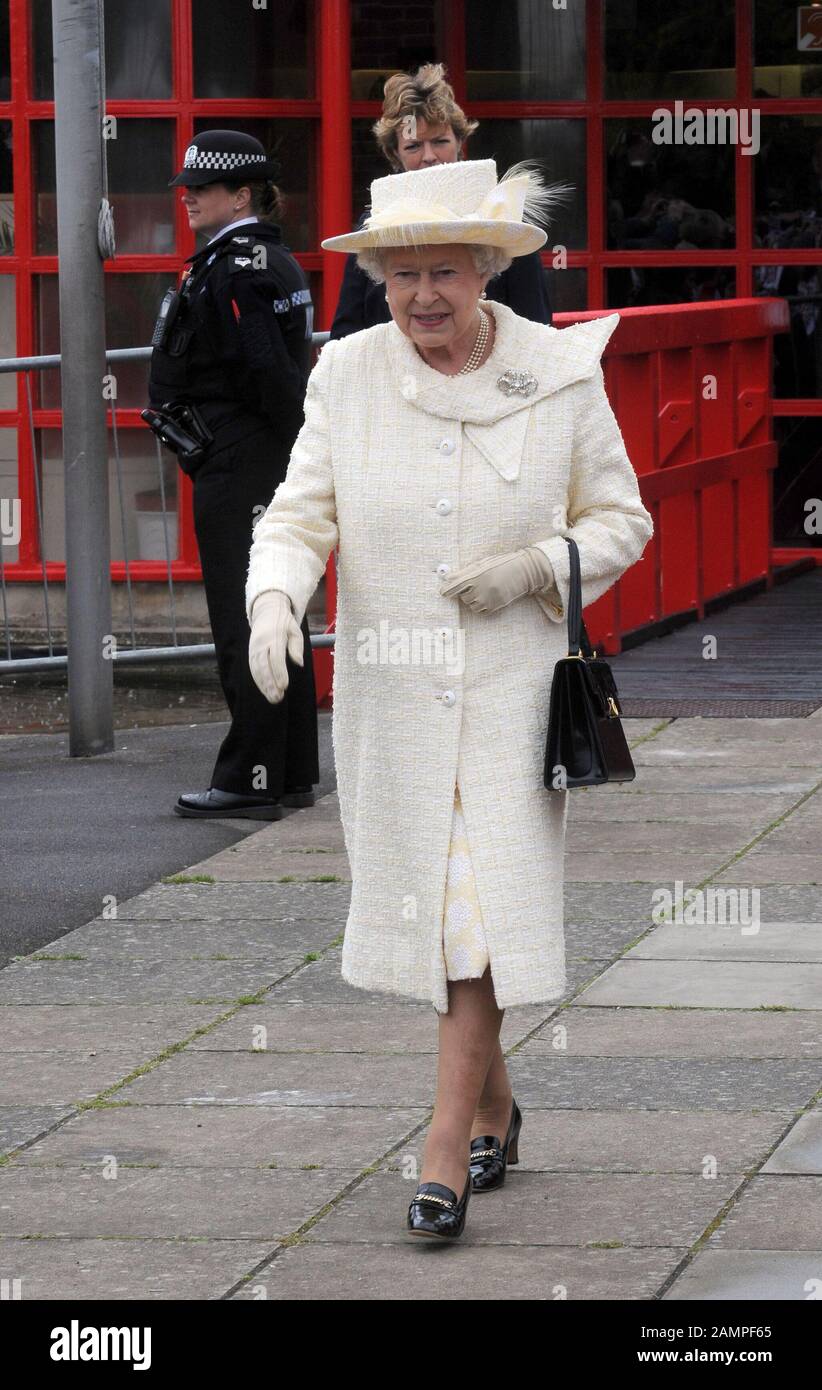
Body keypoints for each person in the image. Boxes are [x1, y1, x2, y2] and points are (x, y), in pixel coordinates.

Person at [245, 159, 654, 1239]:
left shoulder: (560, 372)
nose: (423, 296)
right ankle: (498, 1104)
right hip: (391, 688)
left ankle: (441, 1146)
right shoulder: (348, 375)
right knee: (441, 913)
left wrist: (534, 566)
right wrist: (275, 599)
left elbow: (622, 520)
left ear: (487, 271)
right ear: (377, 277)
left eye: (445, 273)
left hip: (517, 692)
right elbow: (297, 513)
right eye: (401, 275)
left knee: (478, 906)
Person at [145, 129, 319, 819]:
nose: (187, 197)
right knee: (280, 614)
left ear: (240, 194)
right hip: (253, 459)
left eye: (202, 188)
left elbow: (270, 377)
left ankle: (248, 776)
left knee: (246, 621)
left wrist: (233, 451)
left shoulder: (240, 267)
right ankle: (290, 772)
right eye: (186, 186)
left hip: (243, 464)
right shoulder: (257, 257)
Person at [329, 62, 556, 338]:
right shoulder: (372, 226)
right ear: (394, 154)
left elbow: (535, 326)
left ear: (460, 141)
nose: (428, 156)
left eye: (439, 141)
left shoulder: (501, 218)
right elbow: (347, 331)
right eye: (413, 145)